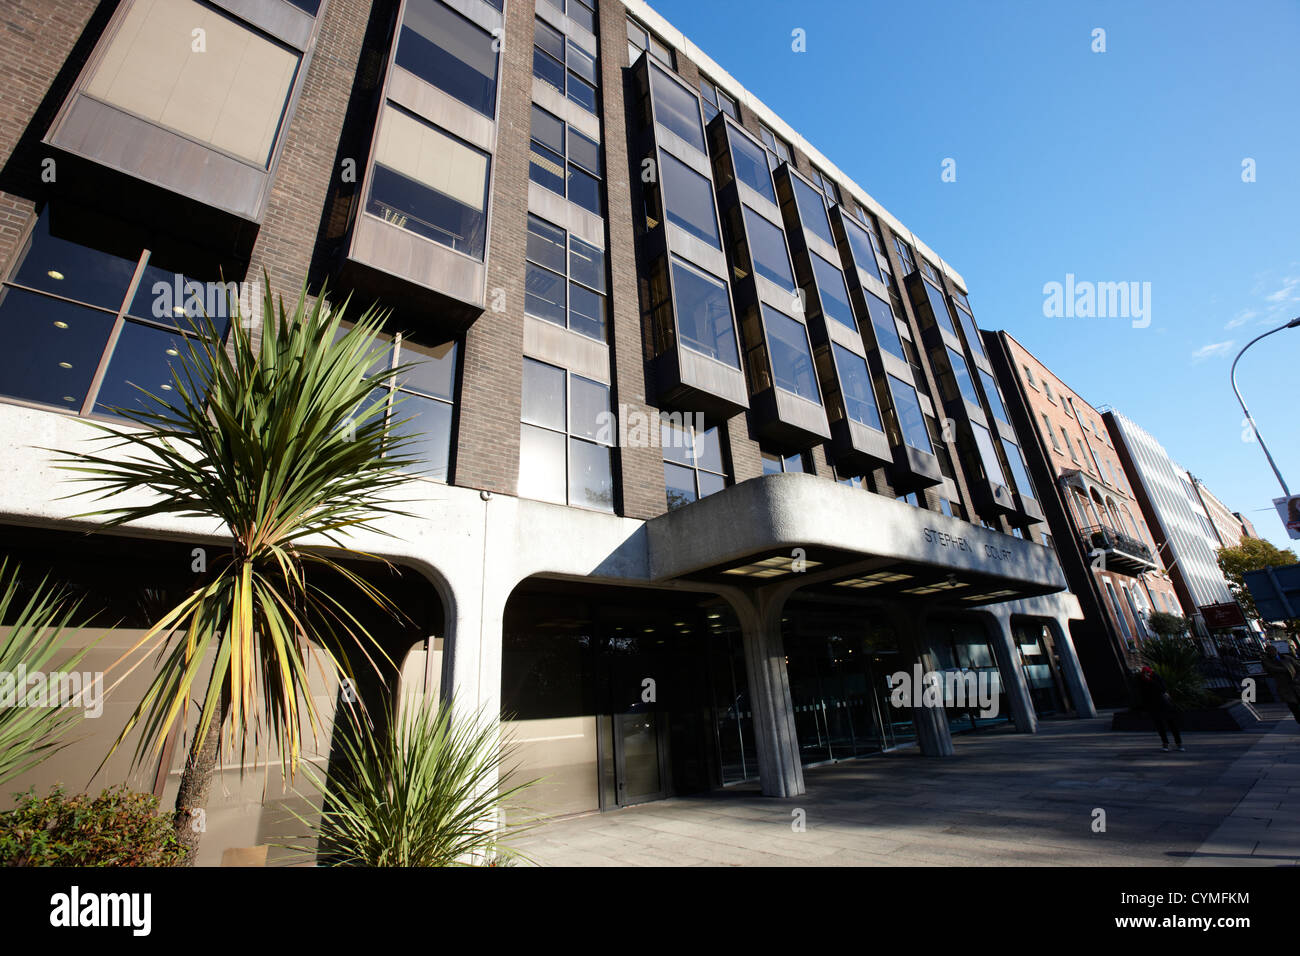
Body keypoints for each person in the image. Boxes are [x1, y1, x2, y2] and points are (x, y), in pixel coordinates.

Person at [1134, 666, 1183, 752]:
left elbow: (1162, 688)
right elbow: (1142, 694)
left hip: (1163, 704)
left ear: (1150, 672)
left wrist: (1150, 680)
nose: (1146, 674)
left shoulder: (1156, 677)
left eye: (1148, 672)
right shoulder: (1141, 680)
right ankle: (1165, 743)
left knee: (1171, 723)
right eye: (1144, 673)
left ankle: (1178, 743)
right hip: (1153, 705)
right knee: (1160, 725)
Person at [1261, 644, 1300, 723]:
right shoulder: (1267, 661)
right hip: (1284, 687)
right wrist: (1285, 669)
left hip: (1296, 685)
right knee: (1293, 706)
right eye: (1269, 651)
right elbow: (1270, 669)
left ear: (1276, 650)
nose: (1272, 652)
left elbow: (1298, 668)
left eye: (1273, 651)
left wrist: (1297, 678)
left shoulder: (1286, 658)